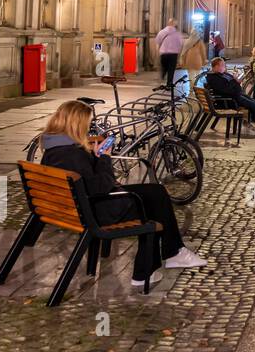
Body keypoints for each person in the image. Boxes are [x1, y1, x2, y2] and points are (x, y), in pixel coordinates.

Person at [38, 100, 206, 287]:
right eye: (87, 123)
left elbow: (87, 181)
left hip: (79, 208)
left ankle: (174, 252)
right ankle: (147, 270)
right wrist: (104, 158)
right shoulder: (71, 154)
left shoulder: (54, 148)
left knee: (156, 192)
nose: (89, 128)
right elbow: (101, 187)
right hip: (96, 211)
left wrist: (94, 158)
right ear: (76, 123)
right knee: (153, 205)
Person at [205, 58, 255, 135]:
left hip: (236, 96)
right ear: (215, 66)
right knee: (253, 105)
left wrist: (236, 80)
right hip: (230, 100)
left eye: (224, 65)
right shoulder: (214, 78)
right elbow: (226, 90)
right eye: (222, 65)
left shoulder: (221, 74)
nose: (224, 66)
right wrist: (235, 80)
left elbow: (231, 86)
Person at [155, 18, 183, 89]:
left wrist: (158, 52)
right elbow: (180, 44)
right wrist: (179, 55)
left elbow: (157, 43)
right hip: (173, 54)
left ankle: (161, 80)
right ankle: (169, 84)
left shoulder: (162, 32)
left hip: (164, 53)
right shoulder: (177, 34)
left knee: (164, 67)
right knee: (171, 69)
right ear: (174, 24)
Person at [180, 30, 208, 94]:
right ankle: (195, 86)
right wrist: (204, 60)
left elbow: (184, 52)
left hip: (189, 60)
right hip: (198, 60)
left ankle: (191, 87)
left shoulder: (187, 41)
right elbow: (203, 52)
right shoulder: (200, 41)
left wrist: (183, 61)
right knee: (197, 75)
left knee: (190, 75)